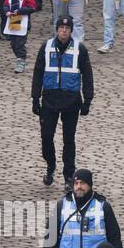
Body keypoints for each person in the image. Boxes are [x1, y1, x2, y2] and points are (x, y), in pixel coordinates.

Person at [32, 16, 95, 186]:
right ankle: (50, 166)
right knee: (46, 137)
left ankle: (69, 175)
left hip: (71, 100)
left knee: (69, 139)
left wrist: (87, 99)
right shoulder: (46, 47)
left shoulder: (79, 49)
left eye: (67, 28)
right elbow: (38, 72)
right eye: (61, 28)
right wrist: (35, 98)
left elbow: (87, 75)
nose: (64, 31)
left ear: (71, 30)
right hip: (50, 99)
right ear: (57, 29)